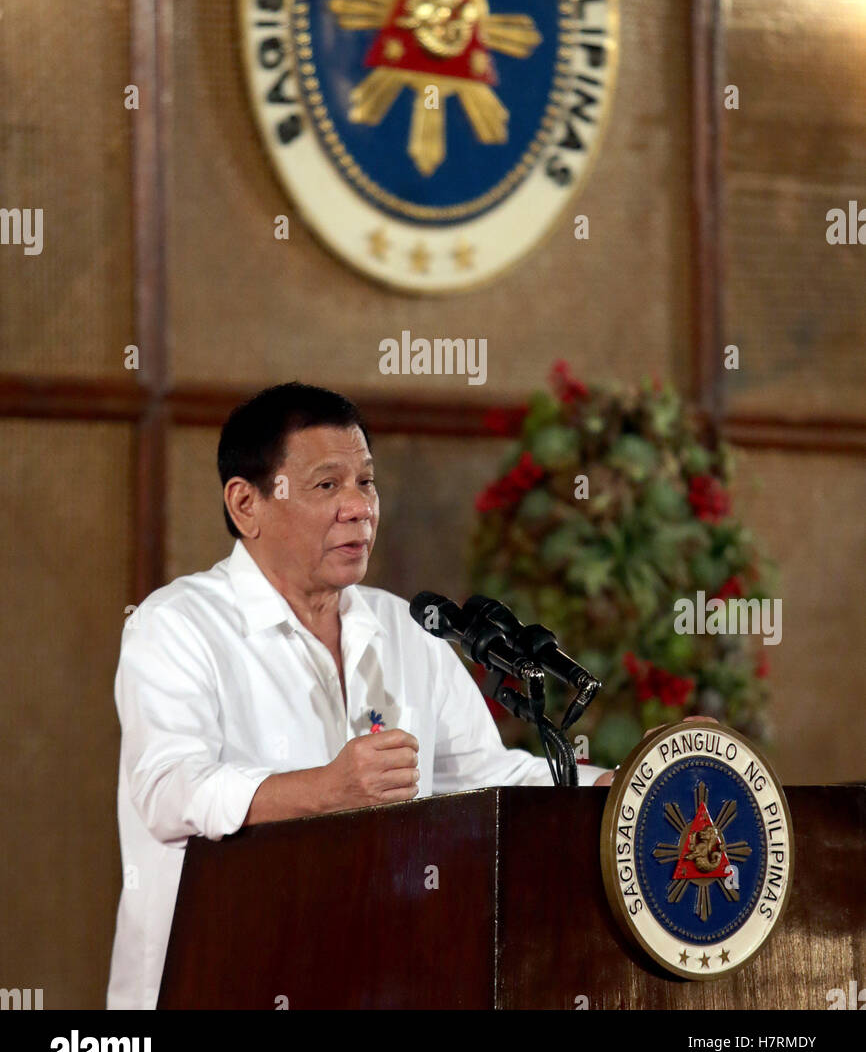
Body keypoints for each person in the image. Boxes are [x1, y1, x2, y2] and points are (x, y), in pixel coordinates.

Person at [106, 382, 610, 1009]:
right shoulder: (177, 624)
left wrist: (618, 787)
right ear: (246, 504)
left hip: (375, 982)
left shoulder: (406, 628)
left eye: (366, 483)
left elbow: (480, 776)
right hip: (219, 982)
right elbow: (168, 790)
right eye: (327, 485)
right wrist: (327, 790)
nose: (359, 508)